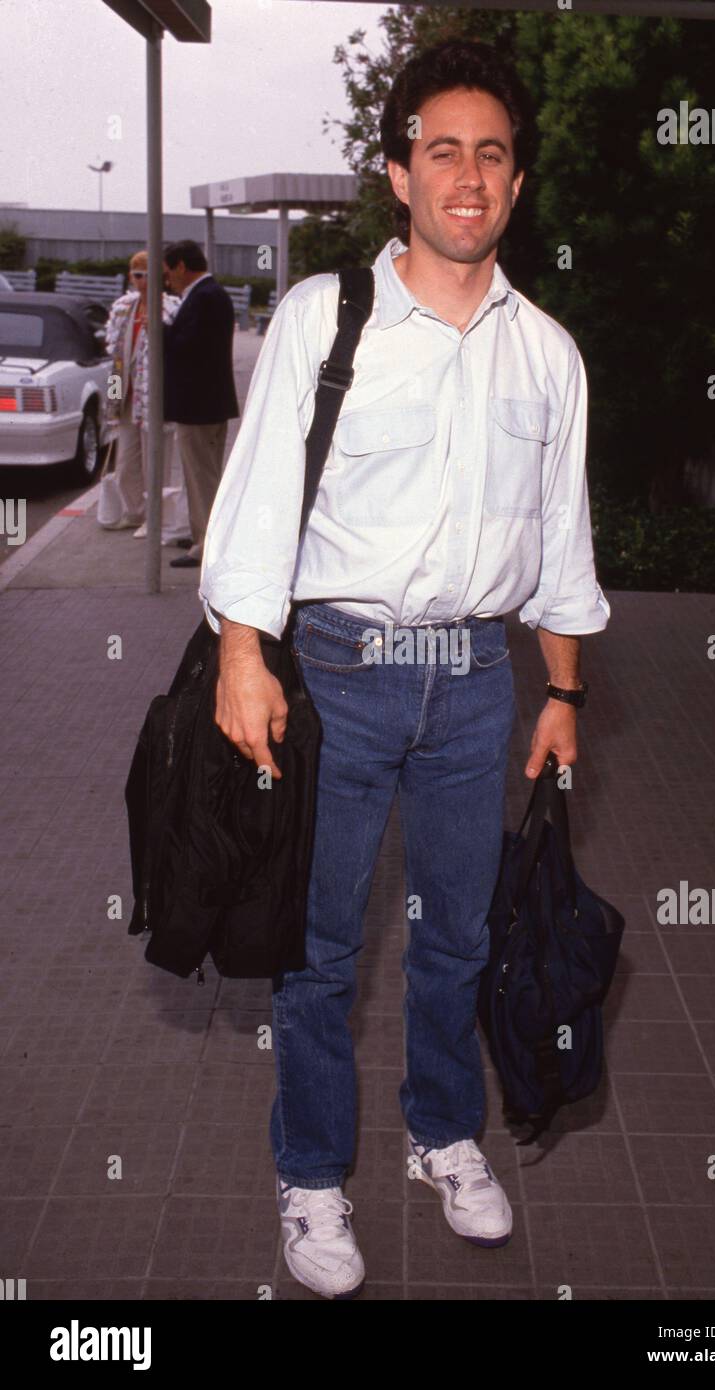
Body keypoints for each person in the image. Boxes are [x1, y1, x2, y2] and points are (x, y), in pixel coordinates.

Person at [198, 39, 611, 1300]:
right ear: (398, 173)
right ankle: (312, 1173)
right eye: (443, 150)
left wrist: (563, 692)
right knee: (318, 949)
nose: (468, 175)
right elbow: (261, 494)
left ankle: (442, 1136)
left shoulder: (547, 353)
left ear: (517, 183)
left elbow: (562, 546)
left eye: (492, 153)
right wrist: (240, 651)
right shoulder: (329, 317)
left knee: (455, 940)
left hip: (477, 681)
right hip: (334, 669)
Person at [162, 240, 239, 568]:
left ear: (181, 266)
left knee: (201, 477)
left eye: (168, 273)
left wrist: (161, 328)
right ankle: (202, 535)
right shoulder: (210, 294)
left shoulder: (204, 296)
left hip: (199, 405)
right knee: (203, 475)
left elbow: (187, 347)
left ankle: (206, 543)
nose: (167, 281)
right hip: (207, 403)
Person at [101, 250, 187, 540]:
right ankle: (134, 511)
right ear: (130, 276)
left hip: (154, 396)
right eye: (138, 275)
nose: (142, 281)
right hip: (126, 395)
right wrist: (113, 399)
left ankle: (155, 517)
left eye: (148, 275)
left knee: (156, 460)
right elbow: (115, 354)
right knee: (126, 461)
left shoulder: (170, 307)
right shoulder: (124, 307)